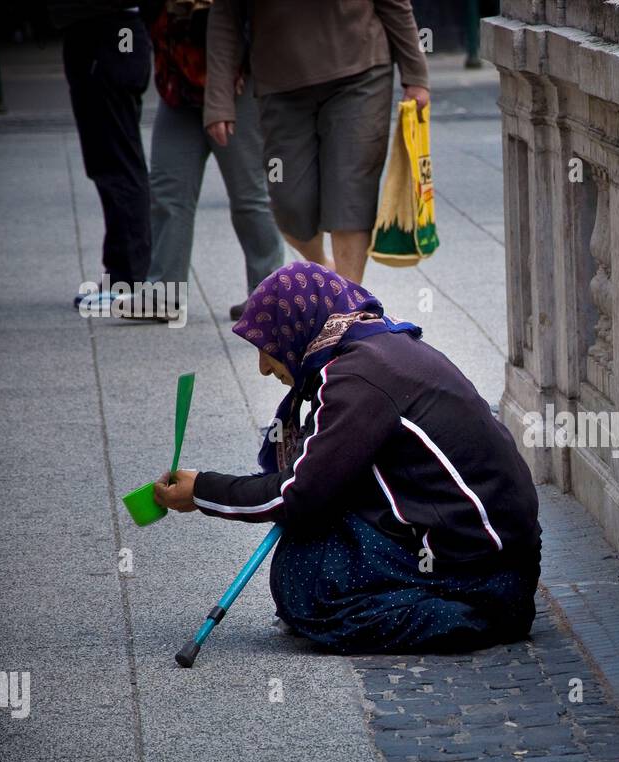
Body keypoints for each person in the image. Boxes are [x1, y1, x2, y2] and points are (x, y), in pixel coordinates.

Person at [152, 262, 541, 652]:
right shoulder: (376, 342)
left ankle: (476, 617)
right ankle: (479, 605)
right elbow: (317, 478)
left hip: (479, 566)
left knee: (305, 584)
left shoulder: (356, 377)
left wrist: (201, 491)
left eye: (267, 349)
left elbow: (298, 496)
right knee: (312, 544)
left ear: (296, 331)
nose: (263, 368)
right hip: (493, 548)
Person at [202, 0, 431, 285]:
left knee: (351, 192)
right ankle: (323, 267)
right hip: (279, 82)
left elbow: (393, 3)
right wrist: (218, 96)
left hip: (361, 69)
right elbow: (225, 13)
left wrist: (416, 74)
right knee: (290, 204)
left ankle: (346, 309)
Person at [144, 0, 284, 322]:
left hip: (233, 86)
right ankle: (163, 294)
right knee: (167, 191)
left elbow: (246, 21)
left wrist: (240, 68)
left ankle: (270, 296)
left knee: (249, 197)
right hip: (177, 87)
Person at [53, 1, 155, 314]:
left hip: (107, 30)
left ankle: (127, 278)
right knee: (111, 161)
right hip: (104, 30)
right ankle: (126, 275)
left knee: (116, 163)